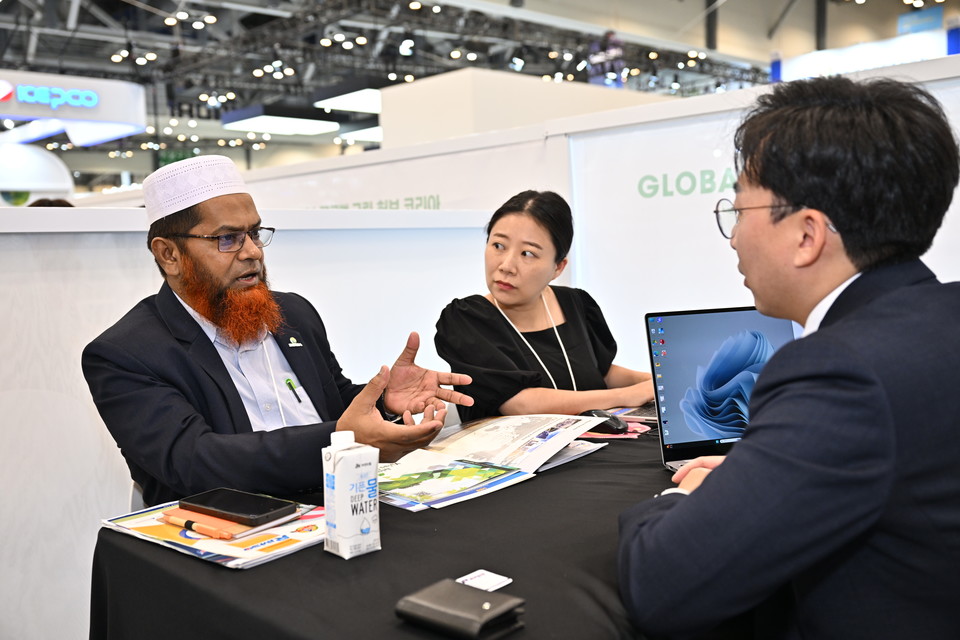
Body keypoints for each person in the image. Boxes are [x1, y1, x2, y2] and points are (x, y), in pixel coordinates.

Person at [618, 76, 960, 638]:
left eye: (740, 208)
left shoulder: (841, 371)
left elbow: (662, 584)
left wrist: (680, 497)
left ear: (807, 235)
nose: (732, 238)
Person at [82, 155, 473, 506]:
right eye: (227, 239)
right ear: (169, 255)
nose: (253, 251)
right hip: (232, 533)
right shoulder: (125, 354)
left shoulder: (293, 312)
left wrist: (386, 400)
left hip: (340, 506)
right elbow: (196, 462)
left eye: (255, 233)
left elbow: (333, 401)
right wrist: (342, 438)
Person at [434, 190, 653, 424]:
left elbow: (601, 372)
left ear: (558, 267)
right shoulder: (466, 319)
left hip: (596, 446)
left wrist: (659, 381)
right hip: (514, 458)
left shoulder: (576, 304)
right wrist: (626, 396)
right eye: (498, 245)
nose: (506, 266)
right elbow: (519, 403)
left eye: (527, 253)